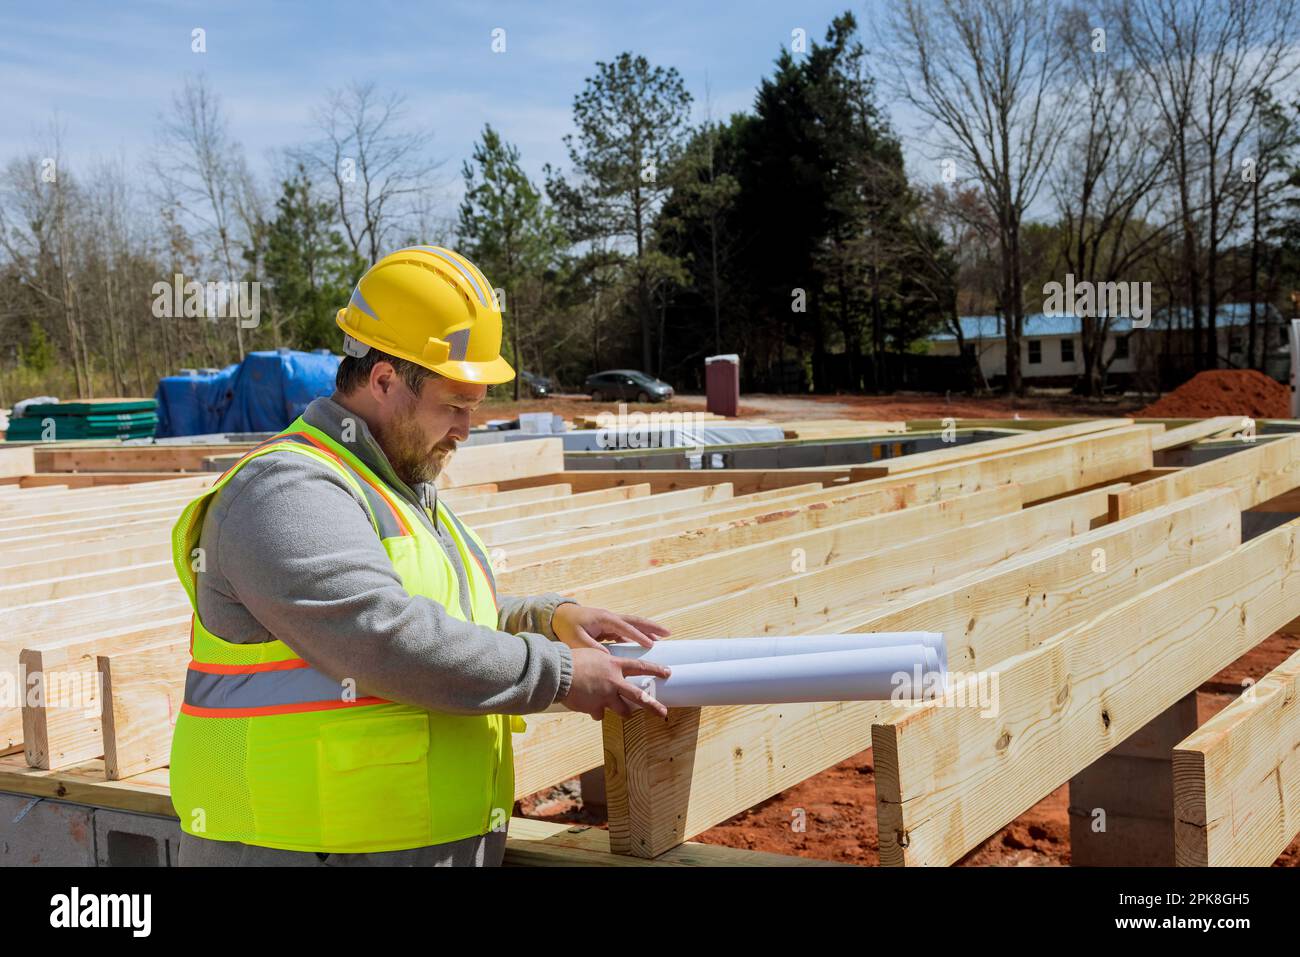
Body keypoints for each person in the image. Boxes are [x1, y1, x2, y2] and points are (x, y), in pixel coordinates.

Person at [170, 245, 671, 867]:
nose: (467, 427)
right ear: (384, 380)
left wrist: (542, 619)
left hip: (396, 843)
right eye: (455, 405)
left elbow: (436, 609)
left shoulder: (395, 486)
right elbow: (379, 636)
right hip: (294, 846)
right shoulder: (285, 491)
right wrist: (559, 673)